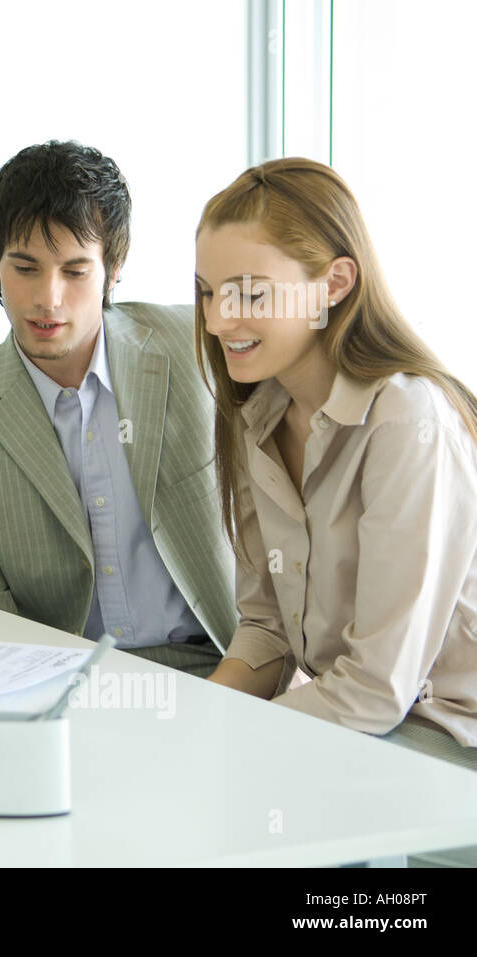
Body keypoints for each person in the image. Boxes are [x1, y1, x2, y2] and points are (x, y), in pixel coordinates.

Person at [197, 157, 477, 779]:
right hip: (369, 728)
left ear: (335, 282)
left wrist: (227, 742)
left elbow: (376, 690)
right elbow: (268, 630)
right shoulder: (259, 415)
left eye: (249, 292)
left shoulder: (407, 419)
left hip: (449, 739)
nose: (217, 320)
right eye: (210, 292)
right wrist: (199, 715)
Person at [0, 141, 236, 677]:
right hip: (64, 688)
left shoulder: (205, 348)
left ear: (114, 270)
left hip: (226, 669)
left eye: (75, 270)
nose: (49, 298)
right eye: (25, 268)